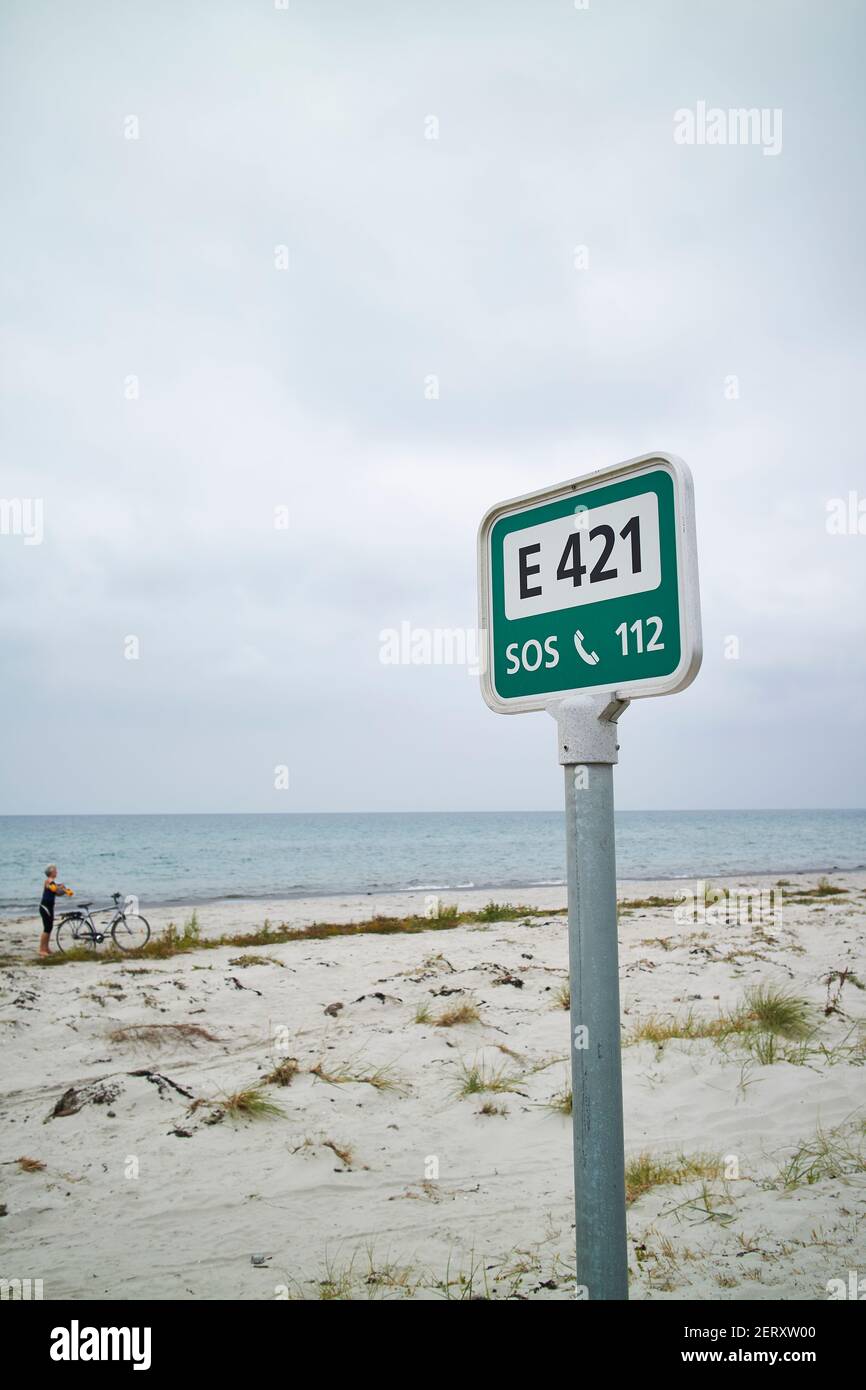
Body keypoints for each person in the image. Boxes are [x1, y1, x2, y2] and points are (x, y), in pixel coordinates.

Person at [39, 865, 73, 957]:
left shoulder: (53, 883)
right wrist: (61, 887)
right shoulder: (48, 881)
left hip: (50, 907)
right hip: (45, 907)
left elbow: (57, 893)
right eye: (55, 871)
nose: (57, 872)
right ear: (51, 872)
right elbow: (54, 888)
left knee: (49, 928)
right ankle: (41, 949)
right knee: (46, 928)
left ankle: (46, 948)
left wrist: (65, 891)